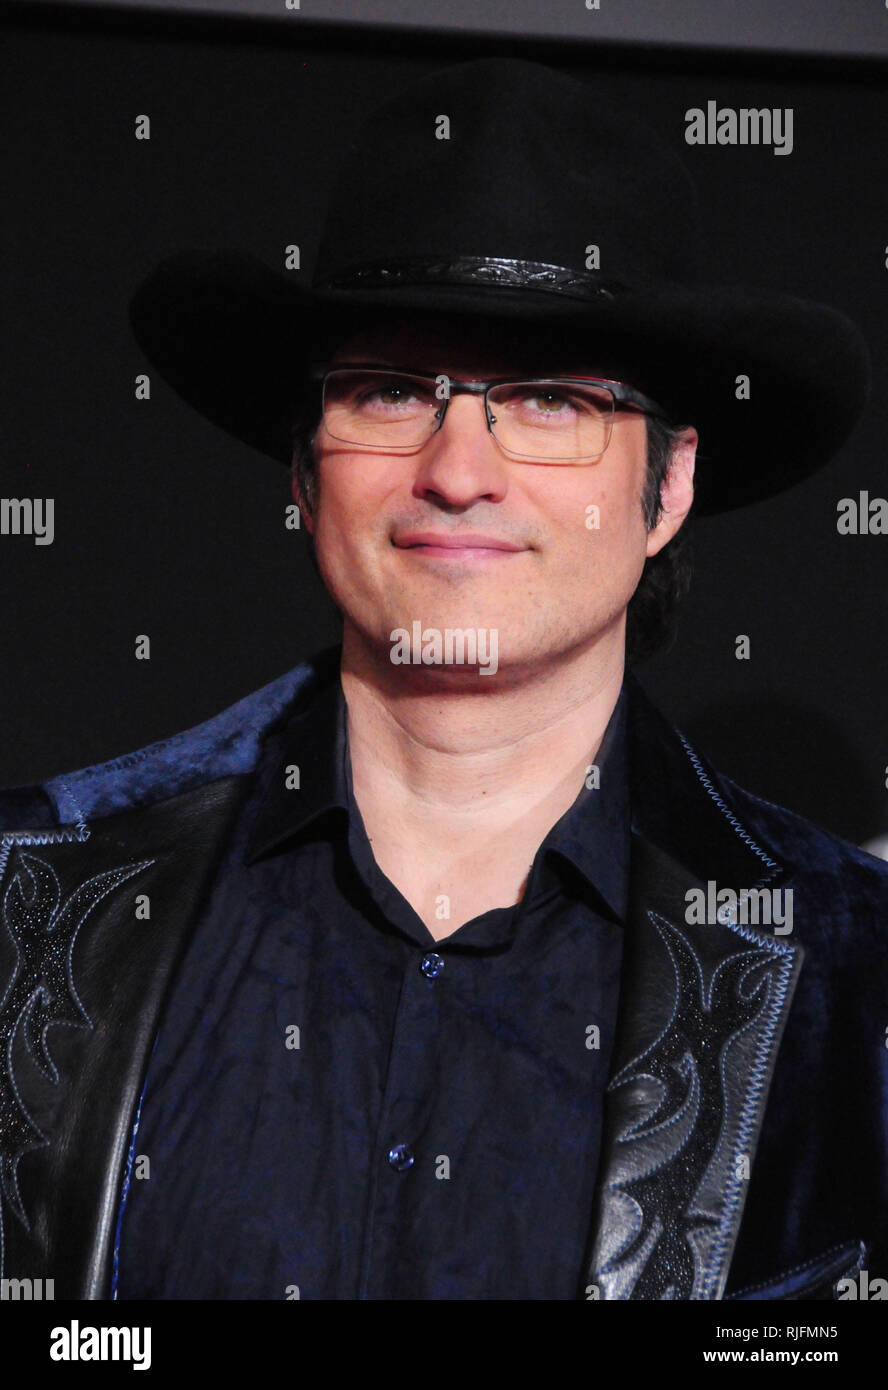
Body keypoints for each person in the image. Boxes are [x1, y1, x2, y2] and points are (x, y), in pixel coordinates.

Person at [1, 55, 885, 1303]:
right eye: (391, 390)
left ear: (668, 486)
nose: (458, 467)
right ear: (305, 472)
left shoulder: (854, 973)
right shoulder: (31, 898)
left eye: (549, 400)